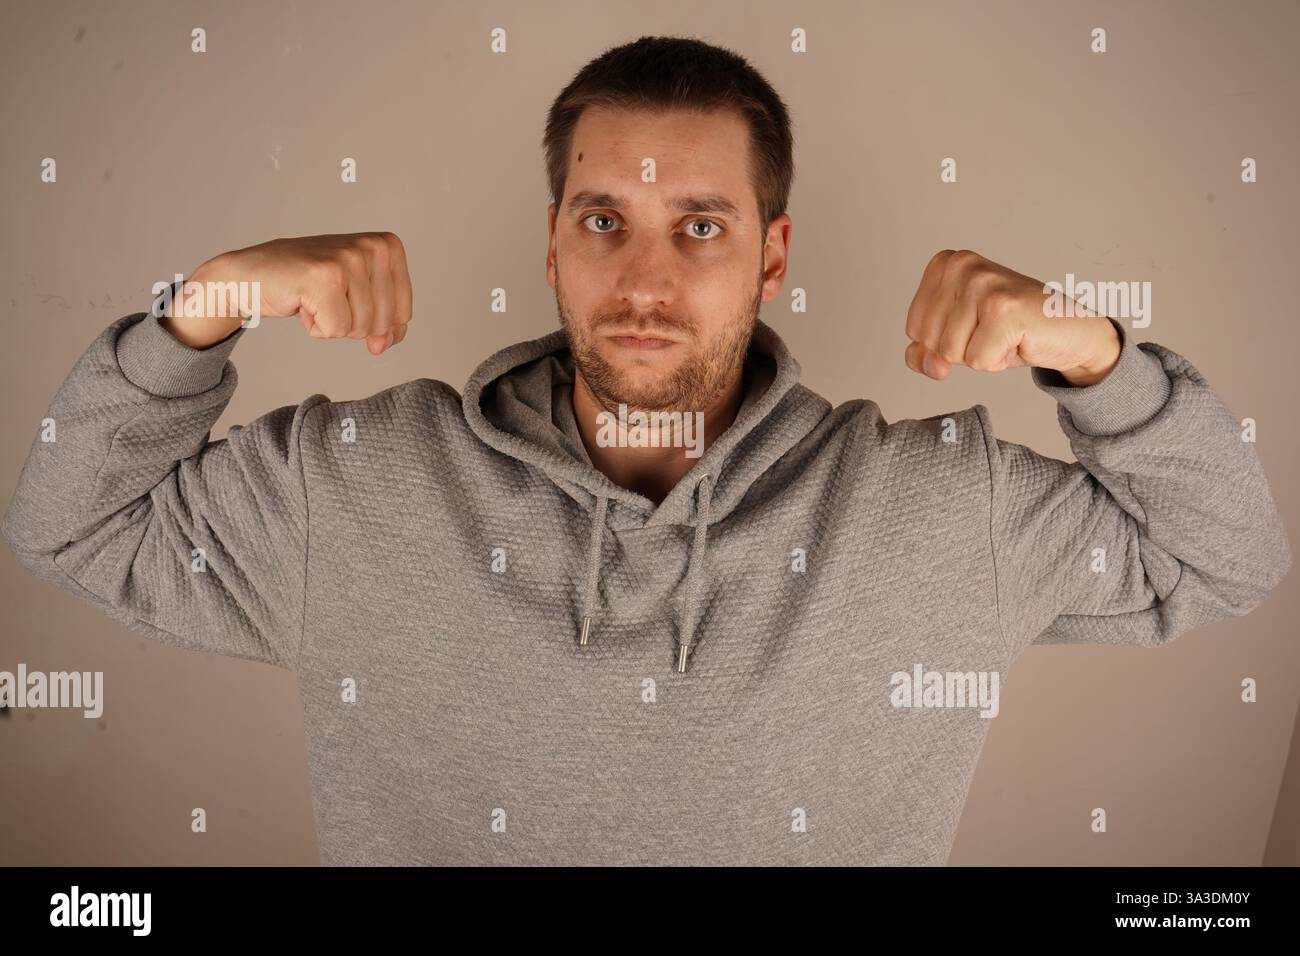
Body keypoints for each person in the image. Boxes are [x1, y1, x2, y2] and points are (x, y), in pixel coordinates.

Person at [2, 35, 1289, 866]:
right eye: (604, 217)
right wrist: (203, 301)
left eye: (702, 226)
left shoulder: (933, 507)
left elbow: (1226, 556)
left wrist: (1095, 353)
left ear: (773, 256)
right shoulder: (360, 481)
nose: (643, 278)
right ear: (551, 238)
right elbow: (70, 518)